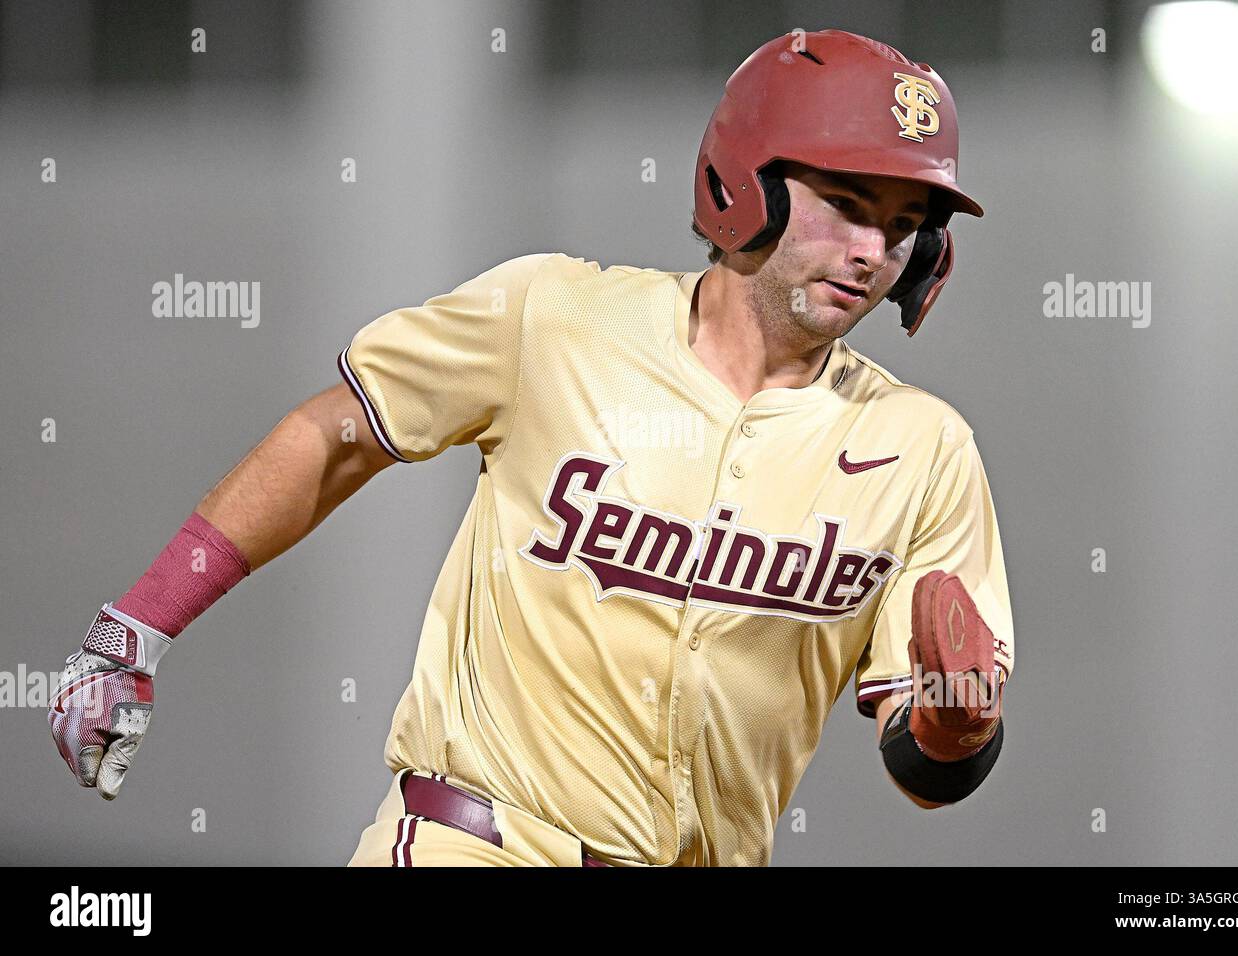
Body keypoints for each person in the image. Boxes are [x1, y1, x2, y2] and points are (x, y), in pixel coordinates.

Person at [50, 29, 1014, 867]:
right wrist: (138, 625)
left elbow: (924, 771)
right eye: (847, 202)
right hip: (474, 844)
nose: (871, 252)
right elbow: (335, 438)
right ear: (747, 179)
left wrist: (955, 725)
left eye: (903, 228)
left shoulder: (922, 449)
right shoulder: (555, 317)